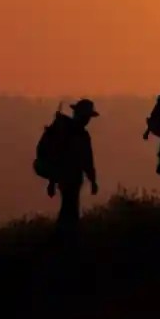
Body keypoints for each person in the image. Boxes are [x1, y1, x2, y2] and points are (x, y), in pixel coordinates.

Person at [52, 99, 99, 249]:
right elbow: (87, 160)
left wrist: (52, 182)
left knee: (68, 207)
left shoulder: (65, 131)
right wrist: (92, 180)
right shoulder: (79, 135)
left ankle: (63, 240)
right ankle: (66, 242)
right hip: (71, 178)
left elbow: (57, 157)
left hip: (65, 177)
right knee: (70, 209)